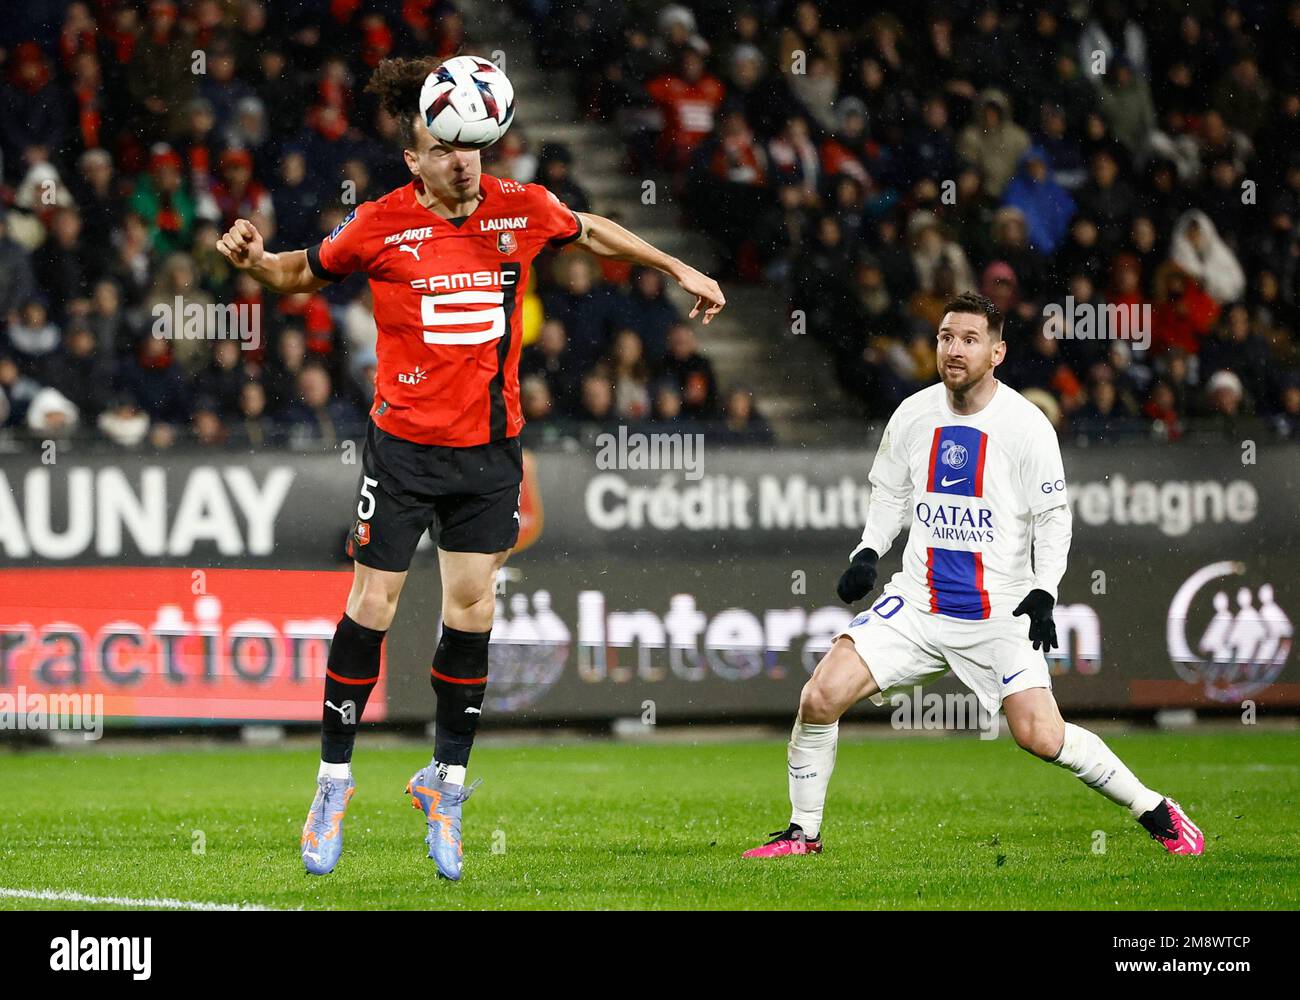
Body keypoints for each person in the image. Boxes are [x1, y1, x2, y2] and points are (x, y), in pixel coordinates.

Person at [215, 55, 725, 882]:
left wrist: (678, 269)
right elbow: (295, 274)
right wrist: (252, 260)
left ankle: (444, 786)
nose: (463, 162)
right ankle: (331, 784)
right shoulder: (379, 224)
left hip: (489, 451)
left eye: (473, 149)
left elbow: (589, 228)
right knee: (373, 603)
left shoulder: (519, 208)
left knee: (473, 610)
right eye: (445, 150)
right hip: (404, 449)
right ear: (414, 158)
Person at [743, 292, 1204, 861]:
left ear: (997, 351)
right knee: (820, 696)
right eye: (944, 337)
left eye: (969, 340)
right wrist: (868, 550)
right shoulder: (913, 414)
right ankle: (801, 834)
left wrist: (1044, 589)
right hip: (917, 603)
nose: (954, 350)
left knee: (1041, 736)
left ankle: (1155, 809)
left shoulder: (1026, 425)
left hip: (998, 612)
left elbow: (1053, 518)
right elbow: (890, 494)